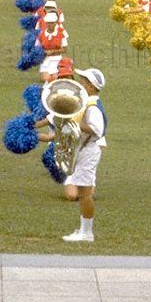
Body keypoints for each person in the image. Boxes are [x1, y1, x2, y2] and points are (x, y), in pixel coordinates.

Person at [61, 68, 107, 242]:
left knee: (85, 193)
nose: (80, 83)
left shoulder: (93, 107)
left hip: (88, 151)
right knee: (82, 192)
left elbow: (97, 130)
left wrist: (74, 123)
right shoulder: (86, 103)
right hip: (83, 150)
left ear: (90, 85)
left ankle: (87, 233)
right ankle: (84, 230)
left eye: (83, 81)